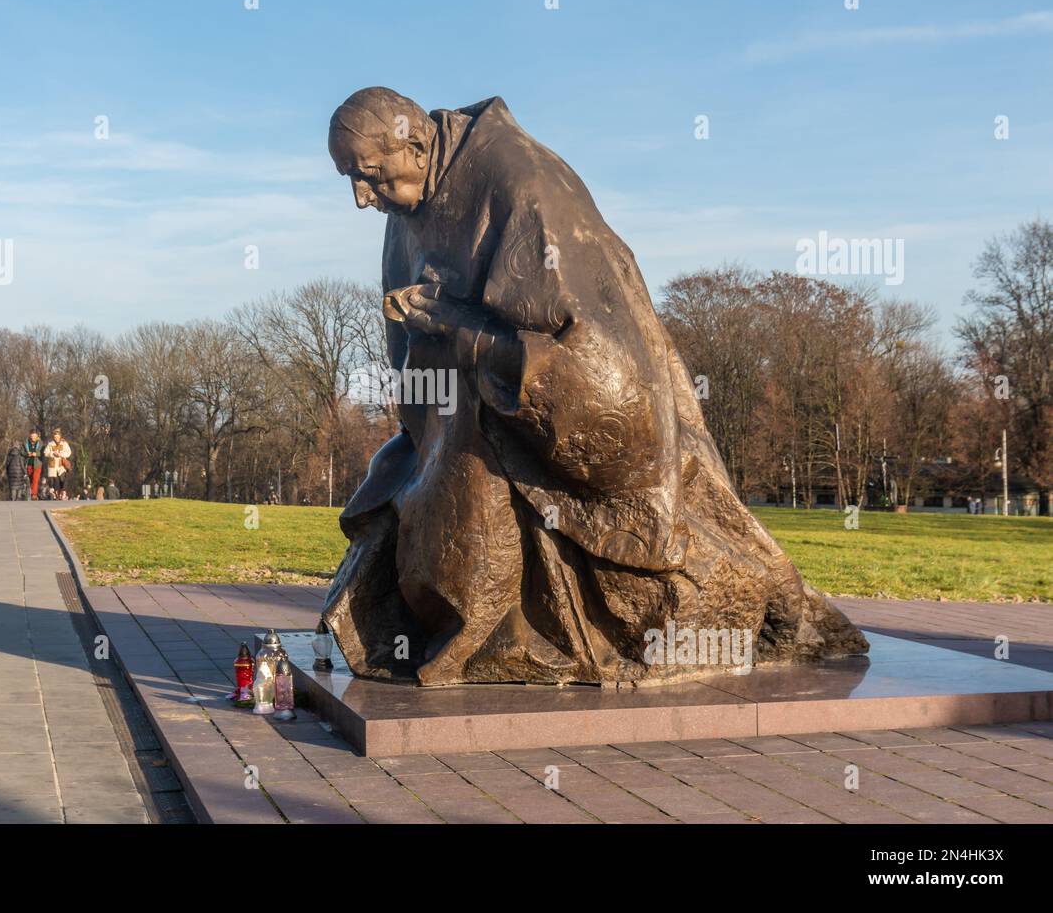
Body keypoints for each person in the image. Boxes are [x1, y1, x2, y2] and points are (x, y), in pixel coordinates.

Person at [321, 87, 866, 686]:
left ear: (417, 143)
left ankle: (484, 631)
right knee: (395, 481)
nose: (360, 198)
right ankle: (439, 625)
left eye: (370, 175)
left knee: (469, 475)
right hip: (459, 413)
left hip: (545, 412)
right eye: (351, 178)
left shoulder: (521, 181)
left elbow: (599, 365)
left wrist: (462, 332)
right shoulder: (406, 206)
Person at [43, 428, 72, 500]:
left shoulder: (64, 443)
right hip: (52, 464)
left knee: (62, 478)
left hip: (61, 463)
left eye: (58, 436)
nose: (56, 438)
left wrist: (60, 454)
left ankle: (63, 492)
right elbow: (45, 453)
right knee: (54, 480)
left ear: (60, 436)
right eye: (55, 437)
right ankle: (55, 493)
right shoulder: (50, 444)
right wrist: (52, 453)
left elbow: (69, 453)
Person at [24, 429, 44, 500]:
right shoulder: (26, 442)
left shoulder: (40, 443)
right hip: (29, 463)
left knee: (35, 479)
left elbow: (43, 453)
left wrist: (36, 454)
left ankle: (34, 495)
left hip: (37, 464)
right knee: (31, 479)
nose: (33, 437)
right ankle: (33, 493)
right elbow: (21, 452)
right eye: (32, 436)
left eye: (34, 436)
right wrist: (27, 454)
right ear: (30, 436)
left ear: (37, 436)